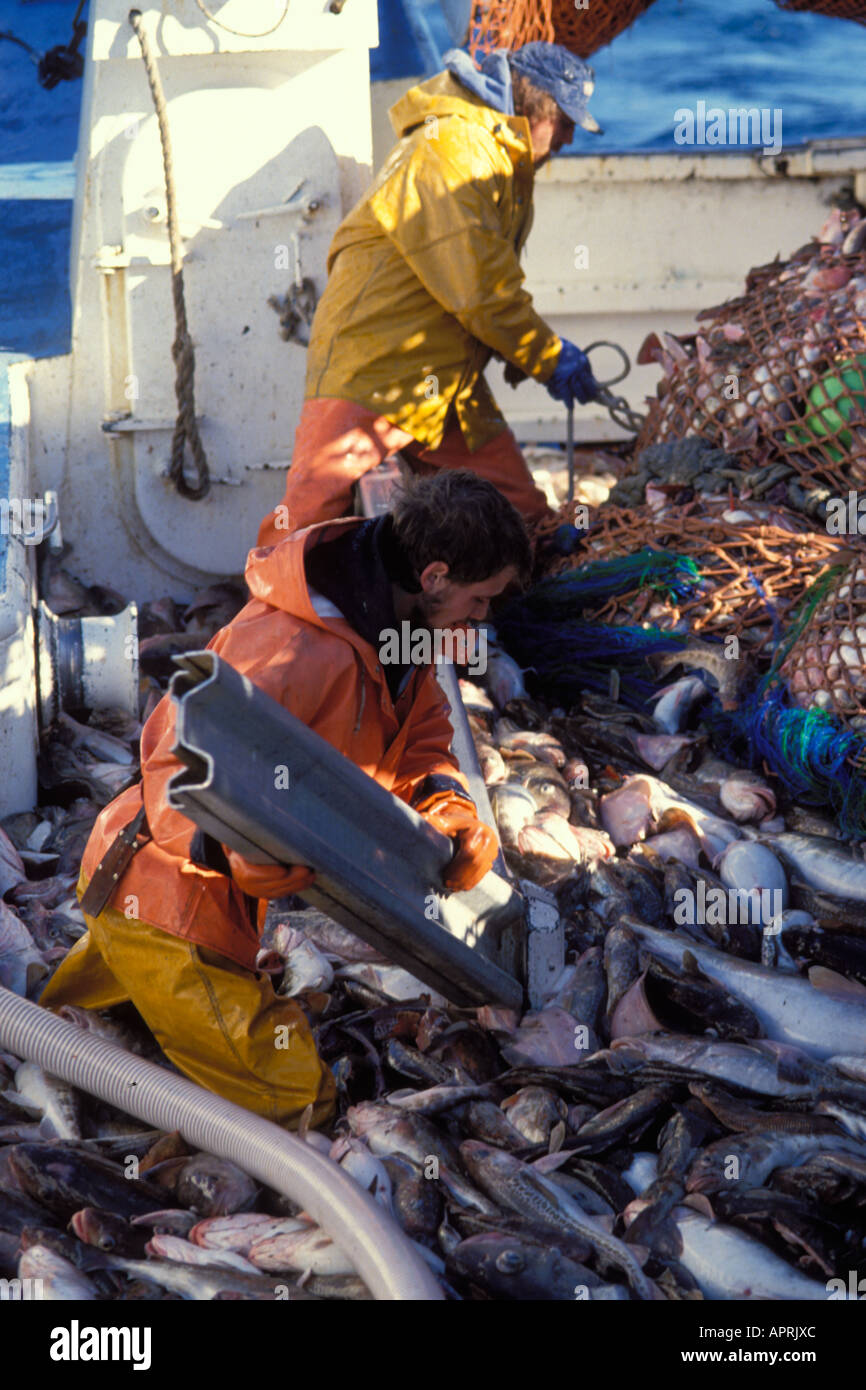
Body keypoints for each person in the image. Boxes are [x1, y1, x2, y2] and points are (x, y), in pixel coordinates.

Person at [40, 472, 530, 1129]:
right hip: (169, 899)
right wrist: (238, 847)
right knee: (305, 1105)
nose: (482, 618)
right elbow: (171, 760)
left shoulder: (402, 628)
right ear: (436, 575)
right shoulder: (293, 648)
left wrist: (450, 807)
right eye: (480, 598)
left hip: (198, 903)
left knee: (60, 1044)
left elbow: (424, 736)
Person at [257, 41, 603, 555]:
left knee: (519, 514)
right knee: (307, 518)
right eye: (567, 123)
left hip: (444, 382)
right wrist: (549, 359)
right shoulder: (454, 150)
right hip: (373, 363)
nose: (571, 138)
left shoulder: (496, 155)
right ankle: (267, 624)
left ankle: (505, 612)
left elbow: (480, 284)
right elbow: (481, 291)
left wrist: (525, 354)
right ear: (536, 111)